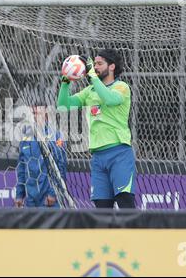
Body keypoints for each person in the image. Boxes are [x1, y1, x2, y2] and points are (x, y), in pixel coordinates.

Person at [57, 49, 136, 209]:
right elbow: (63, 106)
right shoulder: (90, 91)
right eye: (94, 64)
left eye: (99, 64)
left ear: (112, 66)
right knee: (101, 206)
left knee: (125, 202)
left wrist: (92, 75)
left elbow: (110, 99)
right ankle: (105, 236)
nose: (95, 67)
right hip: (98, 157)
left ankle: (131, 235)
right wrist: (65, 82)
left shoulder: (121, 87)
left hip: (119, 153)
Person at [14, 104, 68, 208]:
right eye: (32, 114)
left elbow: (61, 166)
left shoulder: (56, 136)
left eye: (37, 113)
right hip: (30, 200)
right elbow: (22, 168)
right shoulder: (25, 138)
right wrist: (19, 195)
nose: (34, 117)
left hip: (49, 199)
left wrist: (53, 193)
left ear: (46, 114)